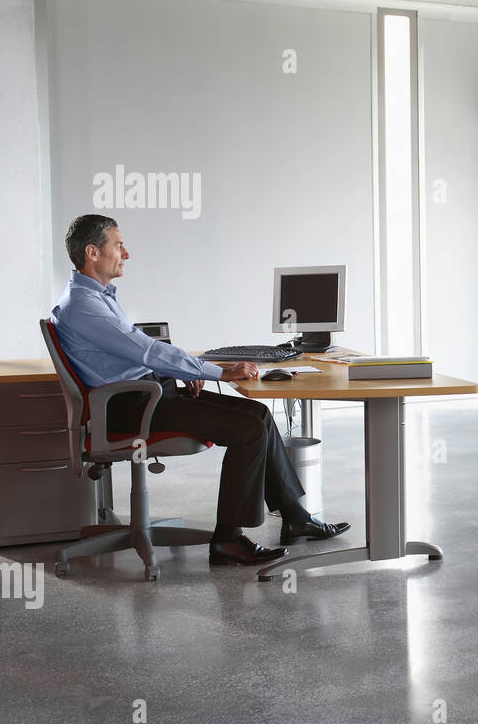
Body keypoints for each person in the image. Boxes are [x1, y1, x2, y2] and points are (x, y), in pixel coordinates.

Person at [49, 214, 350, 565]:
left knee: (259, 414)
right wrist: (216, 371)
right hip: (134, 404)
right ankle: (228, 540)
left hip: (144, 393)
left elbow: (134, 351)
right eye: (118, 245)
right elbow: (145, 351)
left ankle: (296, 519)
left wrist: (181, 369)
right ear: (92, 252)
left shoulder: (93, 297)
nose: (126, 253)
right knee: (248, 430)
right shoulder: (85, 306)